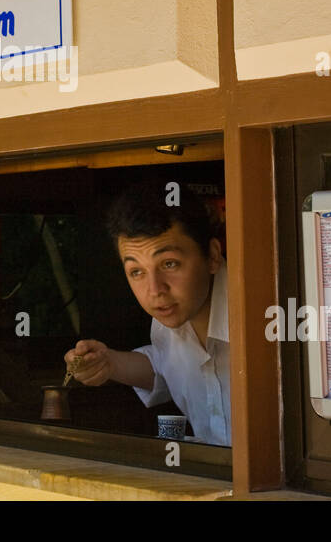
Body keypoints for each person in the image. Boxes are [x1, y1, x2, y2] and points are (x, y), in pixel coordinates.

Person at [64, 182, 230, 445]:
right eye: (136, 272)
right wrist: (109, 364)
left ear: (211, 256)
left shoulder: (266, 319)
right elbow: (164, 364)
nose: (155, 290)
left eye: (169, 264)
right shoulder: (169, 317)